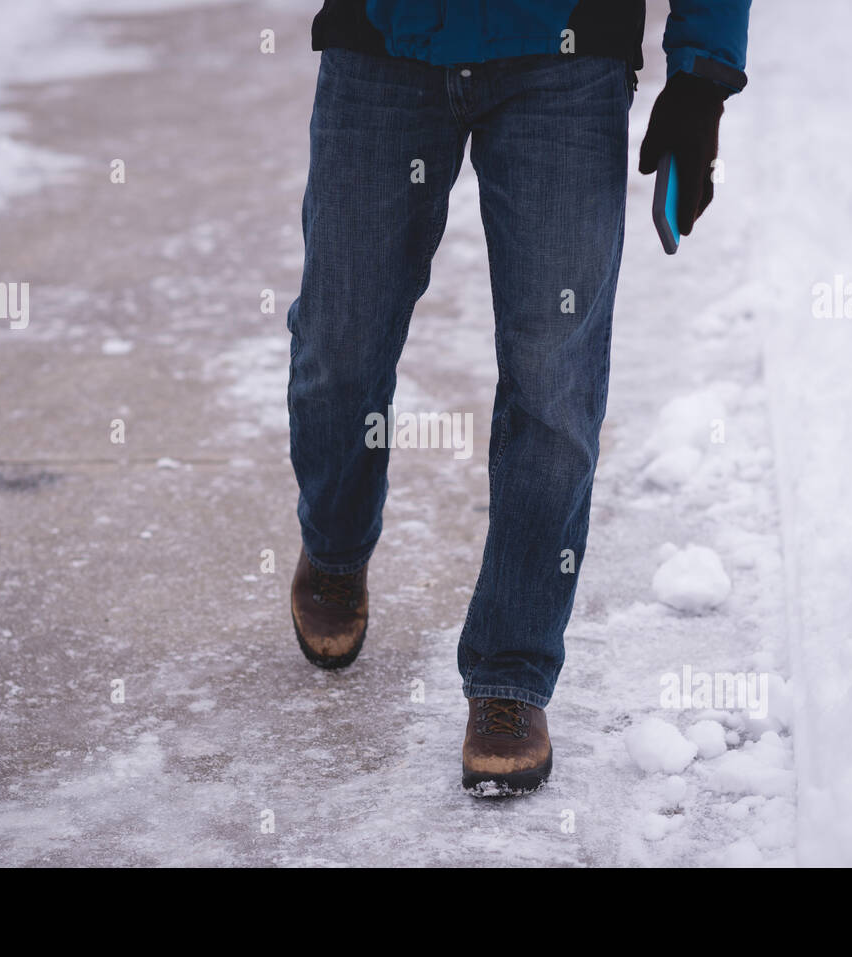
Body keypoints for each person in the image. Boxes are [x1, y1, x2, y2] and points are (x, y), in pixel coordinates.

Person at [286, 0, 750, 794]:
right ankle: (333, 544)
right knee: (341, 343)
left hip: (567, 48)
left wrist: (701, 76)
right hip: (384, 38)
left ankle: (511, 673)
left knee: (554, 385)